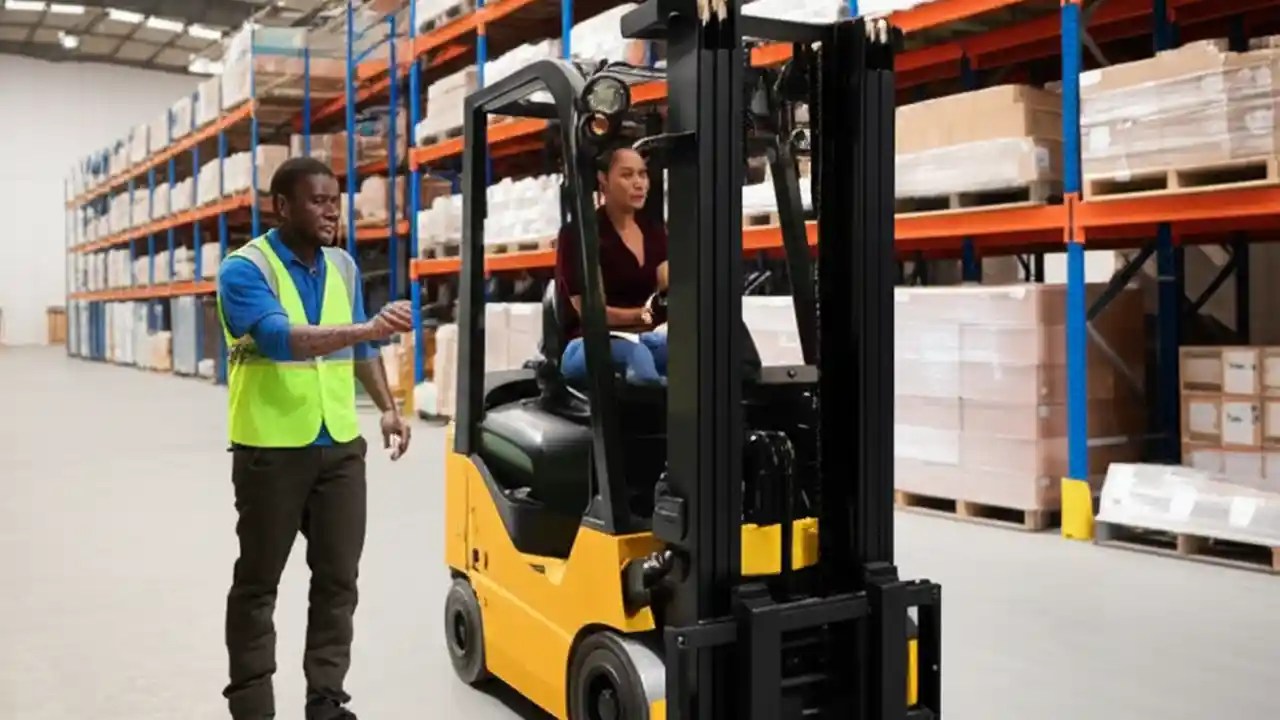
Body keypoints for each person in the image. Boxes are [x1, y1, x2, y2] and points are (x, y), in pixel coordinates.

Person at [215, 157, 415, 720]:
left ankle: (326, 702)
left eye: (335, 201)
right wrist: (367, 328)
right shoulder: (244, 269)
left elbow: (362, 349)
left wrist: (388, 409)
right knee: (258, 585)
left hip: (341, 447)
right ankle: (252, 706)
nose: (332, 212)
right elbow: (279, 340)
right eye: (318, 201)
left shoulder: (343, 265)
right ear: (282, 206)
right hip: (272, 450)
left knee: (338, 581)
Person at [554, 146, 669, 385]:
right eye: (627, 175)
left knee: (691, 351)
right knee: (637, 358)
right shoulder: (579, 235)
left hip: (642, 337)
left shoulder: (654, 232)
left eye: (642, 174)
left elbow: (667, 284)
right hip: (587, 342)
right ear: (603, 179)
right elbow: (590, 312)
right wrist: (643, 316)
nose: (638, 183)